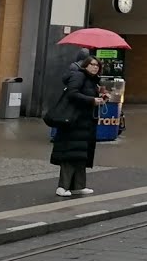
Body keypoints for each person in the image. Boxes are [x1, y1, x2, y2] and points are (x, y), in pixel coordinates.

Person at [51, 55, 105, 196]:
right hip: (74, 122)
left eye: (97, 65)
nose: (95, 67)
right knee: (70, 154)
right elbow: (72, 93)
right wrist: (92, 100)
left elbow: (85, 96)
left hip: (85, 123)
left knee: (81, 155)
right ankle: (62, 186)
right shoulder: (79, 76)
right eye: (92, 64)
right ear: (85, 65)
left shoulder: (92, 81)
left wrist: (101, 97)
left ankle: (79, 185)